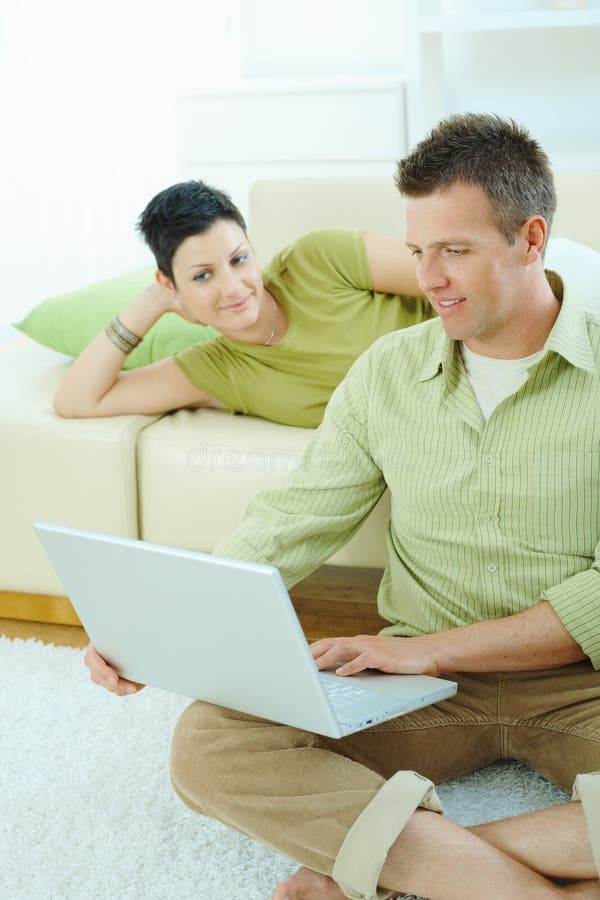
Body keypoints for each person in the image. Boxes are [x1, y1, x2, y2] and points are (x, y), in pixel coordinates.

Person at [84, 113, 600, 899]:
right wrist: (158, 631)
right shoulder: (386, 373)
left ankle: (401, 869)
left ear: (531, 240)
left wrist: (438, 649)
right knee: (209, 743)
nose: (429, 279)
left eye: (455, 251)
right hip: (422, 686)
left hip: (579, 681)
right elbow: (291, 520)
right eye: (420, 251)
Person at [53, 180, 433, 427]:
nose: (234, 288)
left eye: (238, 260)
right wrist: (150, 304)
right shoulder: (217, 370)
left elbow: (451, 279)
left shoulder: (319, 259)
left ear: (252, 247)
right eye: (203, 276)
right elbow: (76, 399)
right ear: (170, 284)